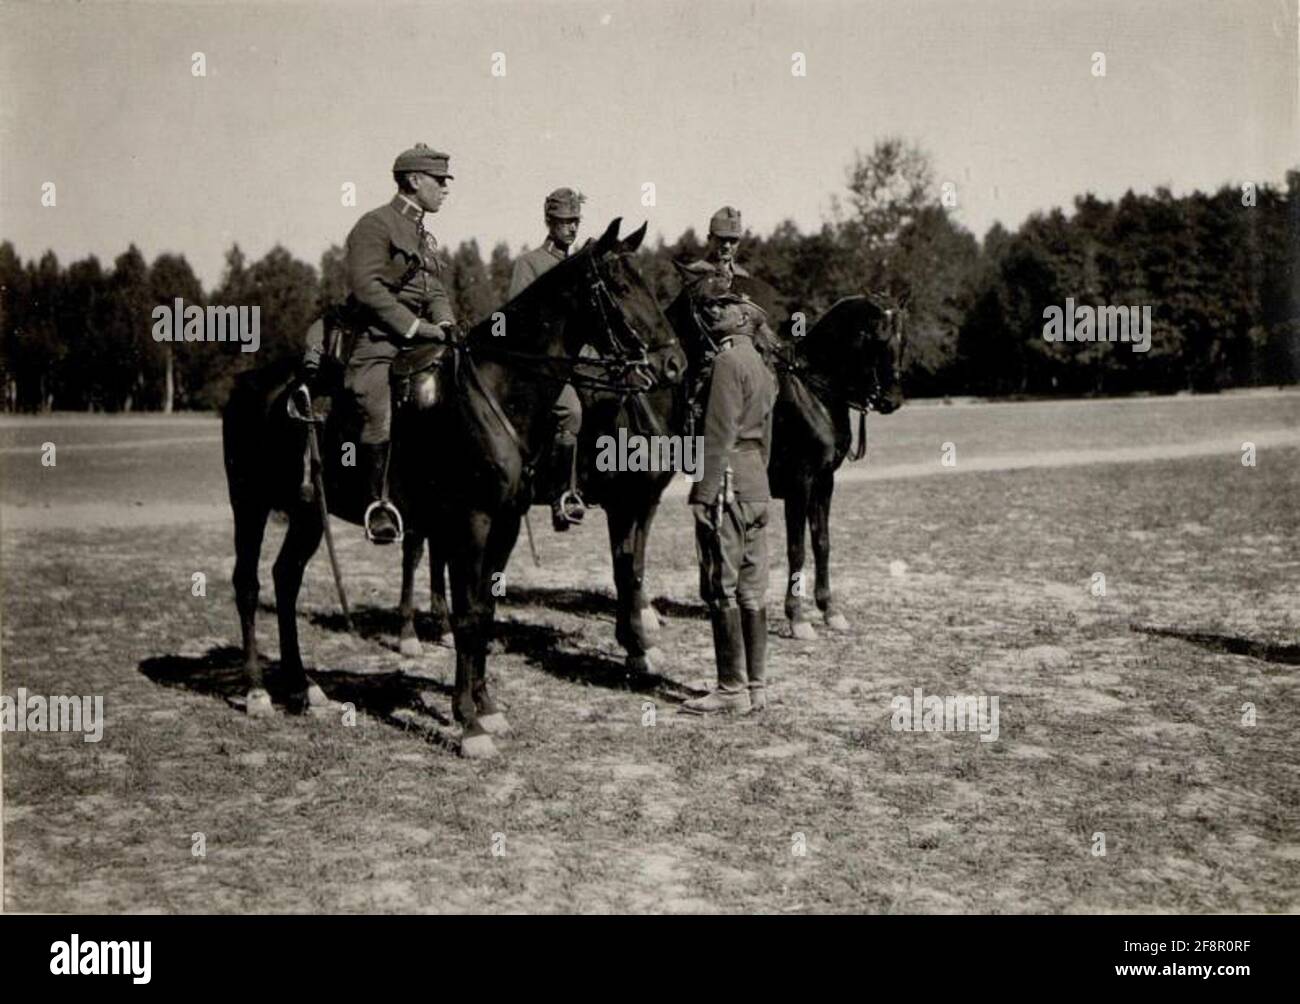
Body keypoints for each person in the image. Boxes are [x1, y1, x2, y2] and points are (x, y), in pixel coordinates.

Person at [343, 143, 457, 543]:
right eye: (439, 180)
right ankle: (377, 503)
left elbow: (434, 287)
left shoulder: (423, 236)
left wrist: (444, 321)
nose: (446, 188)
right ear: (414, 180)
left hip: (423, 341)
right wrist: (418, 328)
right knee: (378, 407)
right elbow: (367, 288)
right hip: (378, 340)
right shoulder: (375, 225)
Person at [682, 292, 778, 716]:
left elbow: (718, 432)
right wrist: (756, 476)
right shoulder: (761, 365)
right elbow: (768, 436)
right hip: (756, 479)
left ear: (743, 317)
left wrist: (703, 492)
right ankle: (756, 688)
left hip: (728, 483)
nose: (715, 312)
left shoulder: (725, 362)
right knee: (752, 591)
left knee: (720, 587)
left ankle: (730, 689)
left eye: (725, 307)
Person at [508, 187, 590, 531]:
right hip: (542, 368)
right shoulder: (529, 264)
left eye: (575, 221)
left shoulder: (583, 265)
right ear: (549, 222)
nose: (571, 228)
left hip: (582, 361)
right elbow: (516, 319)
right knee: (571, 411)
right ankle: (561, 495)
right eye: (564, 222)